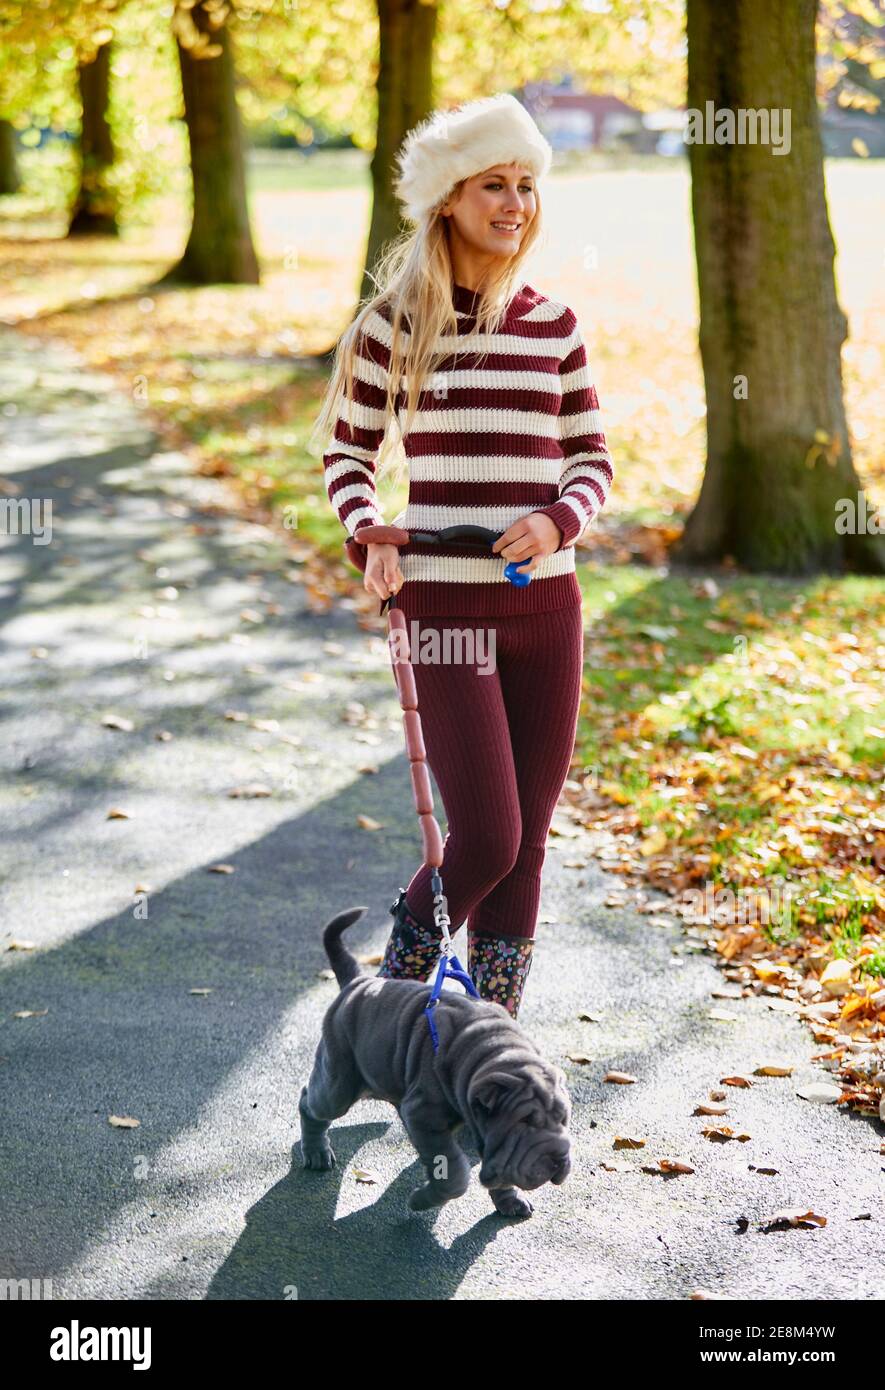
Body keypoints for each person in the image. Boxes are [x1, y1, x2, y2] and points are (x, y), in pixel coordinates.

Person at [311, 93, 613, 1017]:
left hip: (545, 610)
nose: (514, 203)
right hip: (440, 609)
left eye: (526, 185)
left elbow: (592, 462)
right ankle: (382, 1011)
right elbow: (346, 457)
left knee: (529, 841)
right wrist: (368, 529)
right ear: (448, 197)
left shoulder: (554, 325)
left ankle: (488, 1037)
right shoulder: (391, 326)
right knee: (484, 834)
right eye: (493, 184)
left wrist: (561, 520)